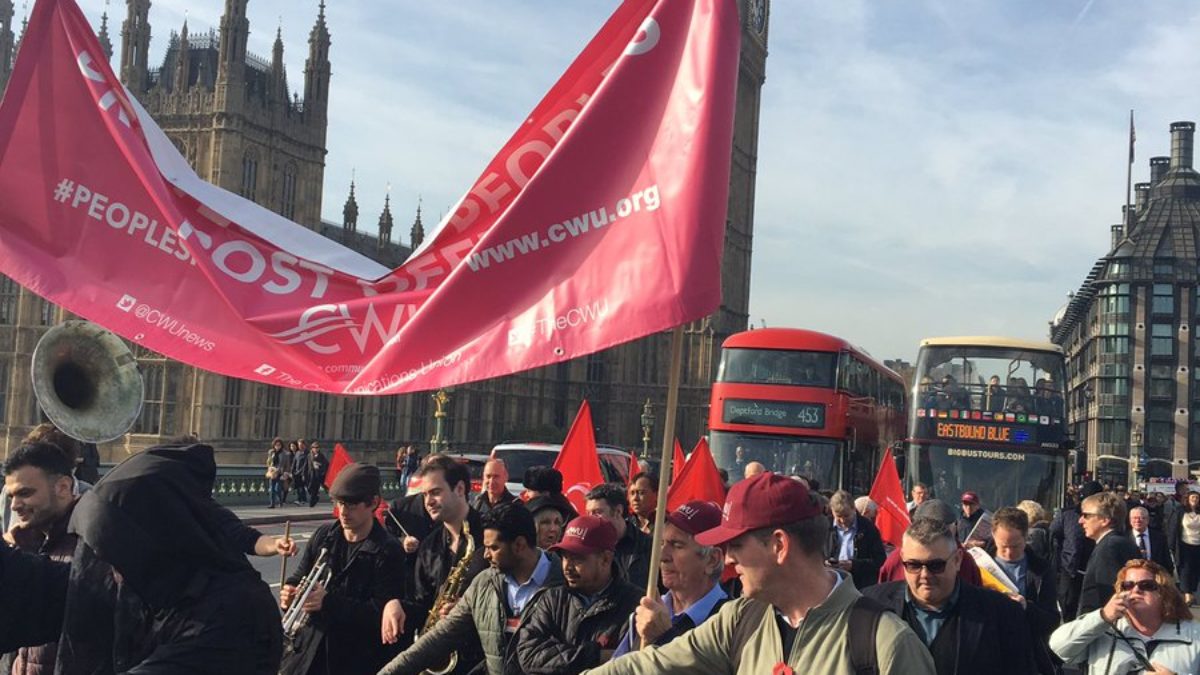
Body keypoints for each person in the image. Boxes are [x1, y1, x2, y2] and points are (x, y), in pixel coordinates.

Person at [584, 472, 934, 674]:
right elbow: (650, 667)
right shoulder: (741, 620)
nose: (728, 560)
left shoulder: (886, 644)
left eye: (736, 545)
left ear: (779, 545)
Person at [0, 443, 283, 674]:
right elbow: (52, 592)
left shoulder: (232, 611)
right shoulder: (151, 584)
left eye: (111, 553)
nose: (105, 568)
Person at [377, 503, 564, 675]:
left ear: (519, 545)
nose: (485, 555)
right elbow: (440, 637)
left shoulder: (565, 585)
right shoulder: (484, 583)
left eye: (494, 548)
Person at [864, 518, 1035, 675]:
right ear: (902, 560)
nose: (925, 575)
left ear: (957, 560)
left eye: (936, 565)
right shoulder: (869, 606)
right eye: (914, 565)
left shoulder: (1002, 613)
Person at [280, 463, 405, 675]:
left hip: (352, 658)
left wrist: (328, 602)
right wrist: (290, 593)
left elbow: (380, 614)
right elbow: (300, 575)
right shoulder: (324, 536)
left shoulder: (388, 549)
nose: (343, 512)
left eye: (351, 505)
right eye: (339, 504)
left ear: (373, 503)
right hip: (308, 653)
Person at [385, 454, 487, 670]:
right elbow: (421, 605)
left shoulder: (490, 537)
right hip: (442, 657)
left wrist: (468, 610)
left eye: (435, 492)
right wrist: (396, 604)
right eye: (424, 495)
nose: (428, 502)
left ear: (460, 489)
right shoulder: (429, 546)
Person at [512, 515, 642, 674]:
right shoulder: (552, 599)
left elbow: (627, 665)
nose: (568, 566)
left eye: (578, 558)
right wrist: (596, 655)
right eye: (565, 556)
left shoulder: (635, 606)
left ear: (606, 559)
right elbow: (529, 654)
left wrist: (558, 658)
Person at [611, 501, 728, 657]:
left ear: (712, 560)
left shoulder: (732, 624)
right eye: (661, 543)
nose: (662, 556)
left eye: (677, 545)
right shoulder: (647, 612)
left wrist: (665, 637)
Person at [3, 442, 80, 674]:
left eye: (25, 493)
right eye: (11, 496)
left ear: (63, 487)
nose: (15, 505)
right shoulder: (24, 543)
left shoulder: (89, 544)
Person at [1050, 559, 1200, 674]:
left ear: (1164, 593)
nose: (1136, 590)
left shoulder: (1193, 635)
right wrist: (1103, 616)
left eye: (1146, 585)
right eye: (1127, 585)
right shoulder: (1103, 630)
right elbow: (1059, 647)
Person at [987, 506, 1060, 675]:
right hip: (988, 652)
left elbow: (1052, 620)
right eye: (1003, 546)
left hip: (1026, 655)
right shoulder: (979, 565)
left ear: (1027, 536)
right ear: (993, 535)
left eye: (1016, 546)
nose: (1009, 552)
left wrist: (1026, 607)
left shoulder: (1041, 569)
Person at [878, 500, 983, 586]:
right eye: (914, 565)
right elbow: (884, 594)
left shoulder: (965, 560)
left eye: (942, 529)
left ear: (954, 527)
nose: (925, 575)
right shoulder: (896, 560)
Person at [1077, 490, 1141, 617]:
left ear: (1105, 520)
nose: (1081, 521)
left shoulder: (1109, 547)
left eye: (1086, 515)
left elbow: (1110, 594)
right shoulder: (1117, 542)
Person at [585, 483, 652, 591]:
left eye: (597, 512)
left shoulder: (648, 546)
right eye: (589, 513)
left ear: (618, 511)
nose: (592, 519)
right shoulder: (586, 547)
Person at [1051, 480, 1101, 621]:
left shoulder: (1107, 517)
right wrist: (1063, 558)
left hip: (1094, 570)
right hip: (1071, 569)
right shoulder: (1067, 514)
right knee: (1068, 608)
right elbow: (1054, 536)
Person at [825, 489, 886, 590]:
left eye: (846, 516)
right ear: (832, 511)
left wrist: (854, 565)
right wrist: (825, 563)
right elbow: (813, 554)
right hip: (830, 584)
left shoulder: (867, 528)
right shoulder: (825, 526)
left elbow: (880, 560)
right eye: (838, 516)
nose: (843, 520)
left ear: (854, 509)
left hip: (858, 585)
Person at [1169, 489, 1200, 605]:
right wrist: (1171, 545)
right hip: (1184, 544)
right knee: (1185, 569)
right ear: (1188, 499)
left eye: (1197, 498)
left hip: (1198, 545)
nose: (1195, 500)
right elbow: (1173, 528)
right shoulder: (1180, 511)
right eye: (1193, 498)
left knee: (1196, 570)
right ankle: (1187, 594)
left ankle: (1191, 591)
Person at [1130, 505, 1173, 574]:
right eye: (1134, 518)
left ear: (1148, 520)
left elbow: (1167, 561)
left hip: (1155, 576)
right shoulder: (1123, 538)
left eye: (1142, 518)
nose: (1138, 521)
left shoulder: (1160, 537)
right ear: (1130, 520)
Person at [307, 441, 330, 507]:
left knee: (315, 489)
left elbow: (326, 464)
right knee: (310, 488)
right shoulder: (309, 455)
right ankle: (315, 498)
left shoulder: (321, 456)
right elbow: (307, 465)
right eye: (314, 447)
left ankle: (312, 503)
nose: (316, 449)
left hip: (318, 475)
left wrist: (320, 466)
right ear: (312, 448)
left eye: (317, 448)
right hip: (311, 474)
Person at [267, 437, 289, 508]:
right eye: (276, 445)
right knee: (272, 488)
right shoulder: (271, 452)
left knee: (277, 489)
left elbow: (287, 464)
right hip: (273, 472)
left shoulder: (285, 453)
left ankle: (280, 501)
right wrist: (270, 468)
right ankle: (272, 504)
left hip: (280, 473)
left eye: (279, 445)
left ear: (281, 445)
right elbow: (268, 462)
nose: (277, 446)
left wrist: (286, 472)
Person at [282, 440, 301, 505]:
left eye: (294, 446)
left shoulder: (299, 453)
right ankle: (283, 500)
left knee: (298, 486)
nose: (292, 447)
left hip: (297, 472)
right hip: (289, 472)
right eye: (291, 446)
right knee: (286, 487)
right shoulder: (288, 454)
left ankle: (299, 499)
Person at [293, 438, 311, 505]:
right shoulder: (297, 453)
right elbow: (295, 462)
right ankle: (301, 499)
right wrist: (293, 471)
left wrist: (302, 471)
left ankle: (302, 499)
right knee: (298, 487)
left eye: (301, 445)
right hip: (297, 472)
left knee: (302, 487)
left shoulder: (308, 453)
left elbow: (306, 464)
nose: (299, 446)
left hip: (304, 472)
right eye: (299, 445)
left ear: (304, 445)